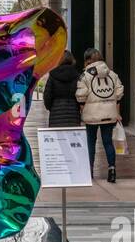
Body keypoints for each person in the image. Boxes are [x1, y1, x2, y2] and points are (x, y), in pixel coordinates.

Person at [75, 48, 124, 183]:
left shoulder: (85, 76)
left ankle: (89, 171)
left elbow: (80, 95)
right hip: (109, 114)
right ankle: (112, 169)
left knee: (91, 142)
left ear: (87, 61)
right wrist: (116, 109)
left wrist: (82, 107)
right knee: (108, 142)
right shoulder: (112, 74)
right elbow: (119, 93)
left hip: (91, 116)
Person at [41, 51, 83, 128]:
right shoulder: (77, 75)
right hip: (73, 114)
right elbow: (81, 94)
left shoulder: (53, 75)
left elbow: (47, 95)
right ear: (72, 60)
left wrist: (51, 107)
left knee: (58, 138)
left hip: (56, 114)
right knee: (73, 138)